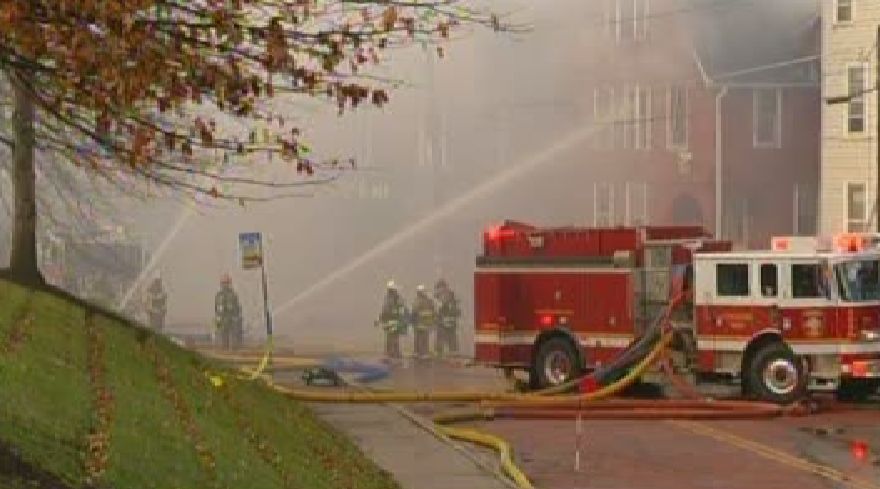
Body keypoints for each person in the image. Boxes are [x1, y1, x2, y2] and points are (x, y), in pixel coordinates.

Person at [377, 281, 407, 360]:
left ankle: (391, 354)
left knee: (391, 338)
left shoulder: (391, 298)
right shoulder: (396, 298)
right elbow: (401, 309)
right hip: (394, 321)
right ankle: (394, 353)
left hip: (392, 321)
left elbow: (386, 310)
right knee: (393, 337)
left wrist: (380, 319)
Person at [215, 274, 243, 350]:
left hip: (231, 319)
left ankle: (234, 348)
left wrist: (236, 318)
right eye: (223, 283)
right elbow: (217, 309)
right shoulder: (218, 295)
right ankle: (224, 348)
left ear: (229, 284)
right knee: (222, 336)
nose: (224, 285)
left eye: (226, 283)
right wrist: (217, 319)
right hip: (222, 319)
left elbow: (237, 307)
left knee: (234, 336)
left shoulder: (233, 295)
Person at [435, 281, 461, 357]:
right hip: (449, 322)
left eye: (439, 288)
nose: (438, 290)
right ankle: (453, 352)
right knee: (451, 338)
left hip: (444, 322)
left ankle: (441, 353)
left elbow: (439, 310)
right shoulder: (451, 296)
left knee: (442, 337)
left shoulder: (442, 297)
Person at [411, 285, 436, 359]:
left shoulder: (418, 301)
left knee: (418, 338)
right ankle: (424, 353)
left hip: (419, 323)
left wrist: (412, 321)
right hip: (426, 323)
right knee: (424, 338)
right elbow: (433, 312)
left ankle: (418, 352)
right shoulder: (429, 301)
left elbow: (414, 311)